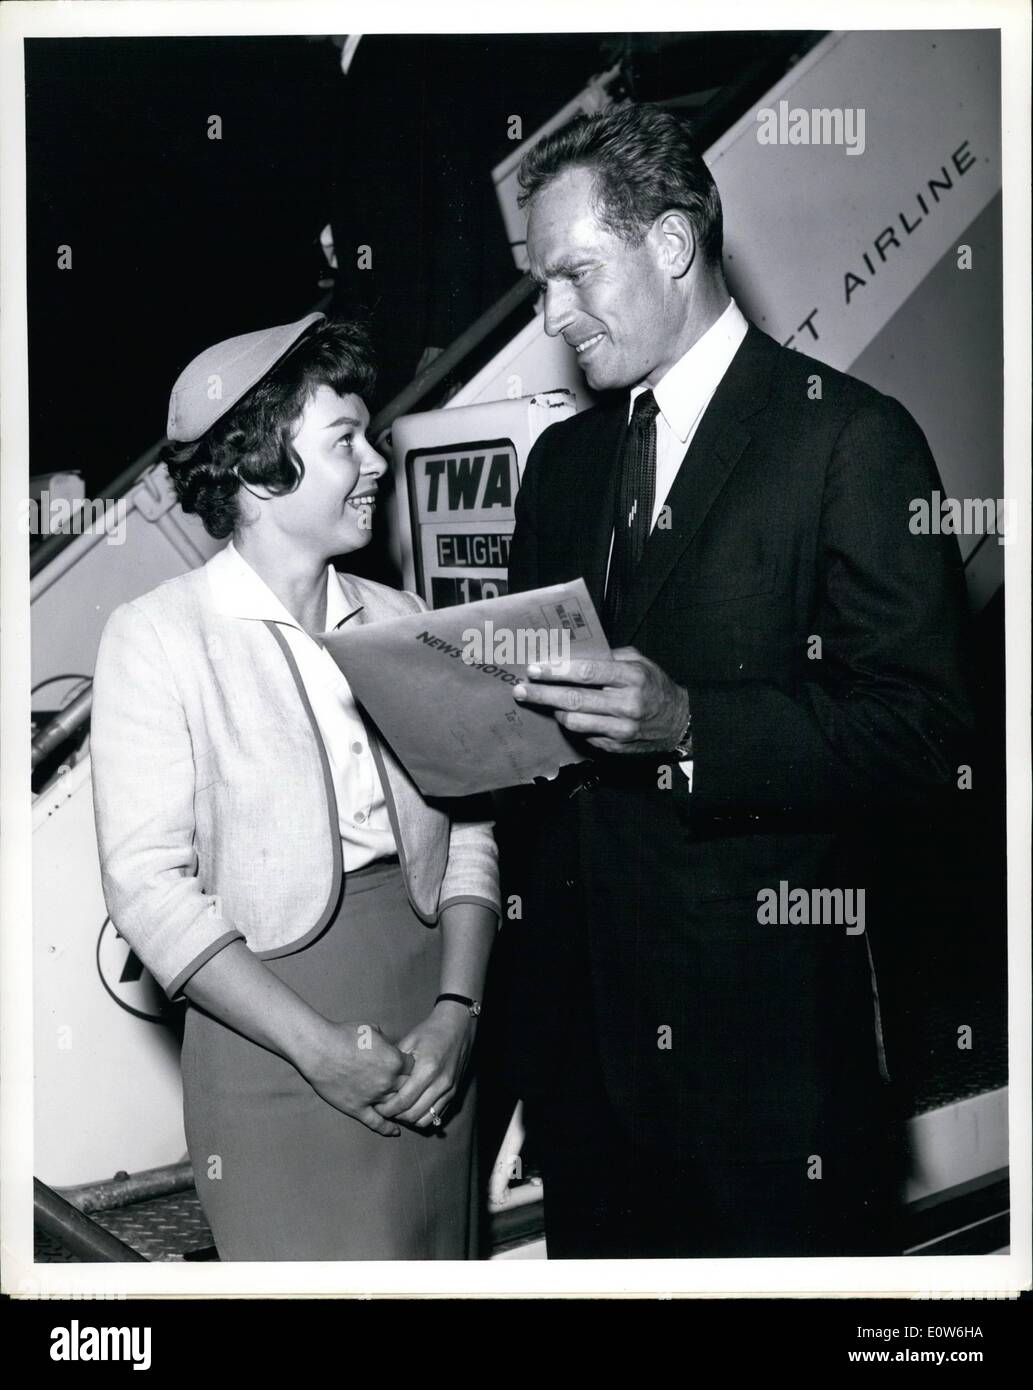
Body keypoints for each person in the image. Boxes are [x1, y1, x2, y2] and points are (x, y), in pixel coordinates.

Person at [500, 104, 971, 1258]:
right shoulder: (562, 464)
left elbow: (924, 739)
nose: (554, 316)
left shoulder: (849, 441)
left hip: (768, 1096)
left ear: (670, 242)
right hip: (587, 1089)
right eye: (537, 287)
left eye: (573, 275)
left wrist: (691, 726)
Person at [91, 314, 500, 1260]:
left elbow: (471, 826)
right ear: (257, 469)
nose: (376, 464)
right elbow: (148, 890)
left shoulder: (405, 619)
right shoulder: (158, 638)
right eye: (343, 441)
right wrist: (316, 1048)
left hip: (433, 1024)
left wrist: (459, 1012)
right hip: (270, 1051)